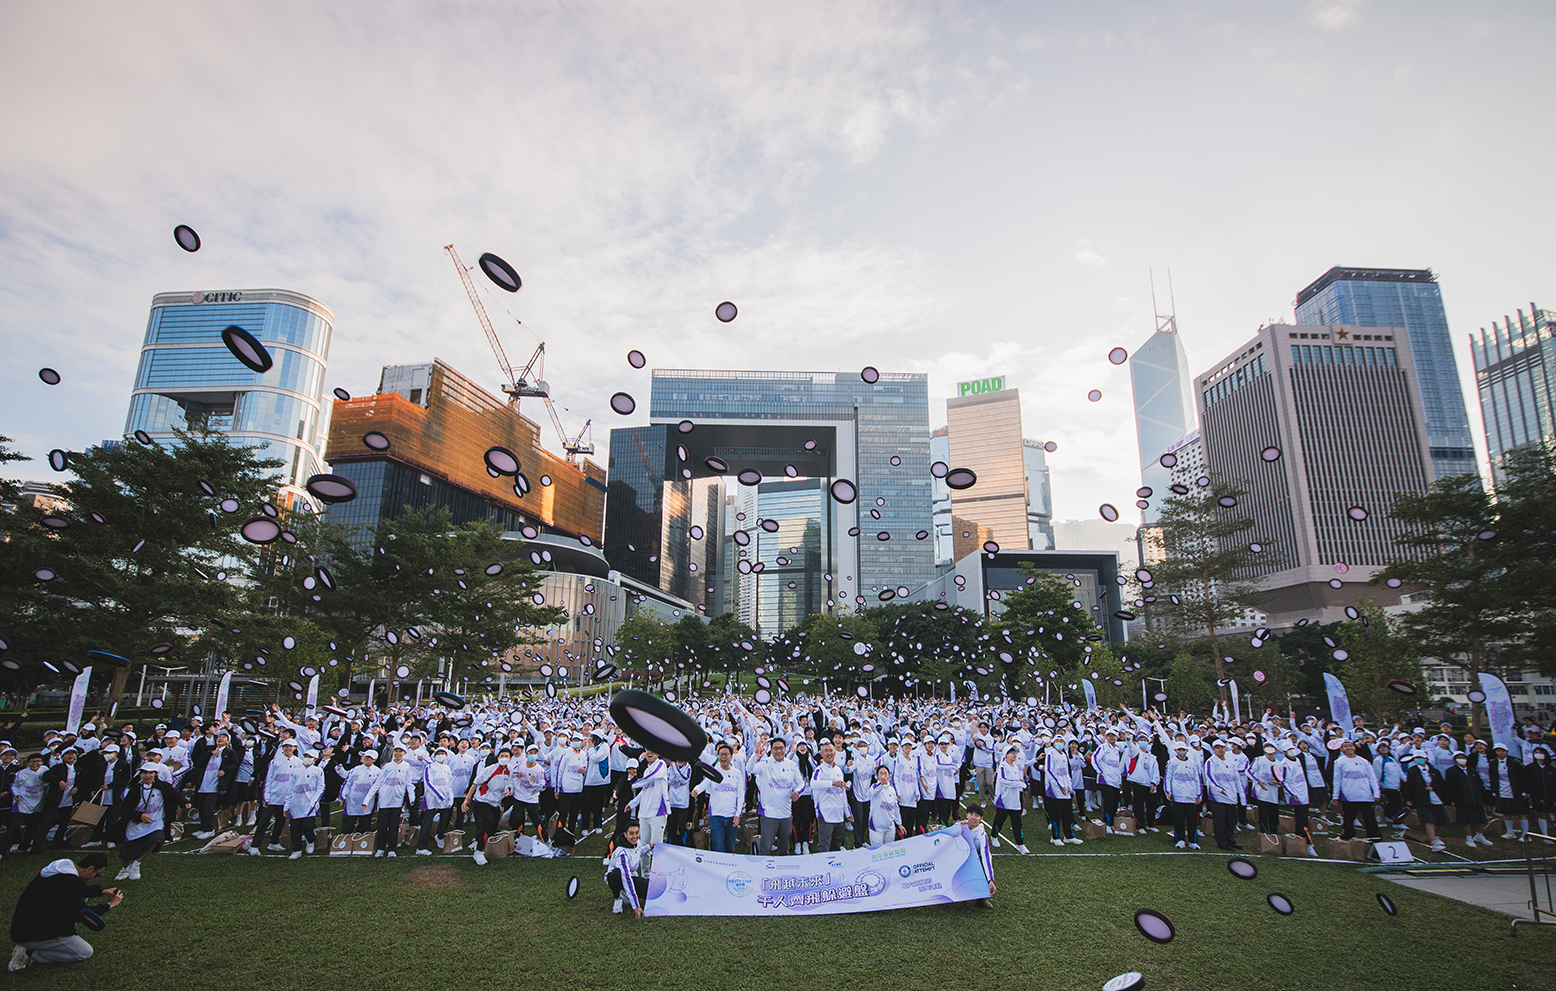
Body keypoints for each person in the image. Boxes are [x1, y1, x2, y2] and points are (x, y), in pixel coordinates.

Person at [8, 853, 122, 971]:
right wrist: (109, 905)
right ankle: (30, 953)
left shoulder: (63, 871)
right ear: (90, 869)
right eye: (96, 874)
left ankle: (34, 946)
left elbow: (79, 890)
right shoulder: (69, 882)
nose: (94, 877)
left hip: (27, 924)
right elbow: (81, 911)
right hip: (31, 932)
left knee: (81, 900)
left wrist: (102, 891)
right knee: (84, 952)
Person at [115, 765, 185, 880]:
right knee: (126, 852)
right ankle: (125, 869)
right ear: (140, 775)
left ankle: (136, 864)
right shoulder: (134, 790)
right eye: (144, 773)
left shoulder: (163, 787)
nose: (147, 775)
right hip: (136, 823)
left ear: (155, 774)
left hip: (156, 822)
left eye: (150, 773)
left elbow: (174, 796)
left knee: (157, 838)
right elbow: (124, 809)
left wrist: (184, 803)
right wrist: (139, 816)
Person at [753, 737, 802, 856]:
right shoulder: (764, 764)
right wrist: (756, 754)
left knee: (784, 849)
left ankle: (782, 872)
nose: (778, 751)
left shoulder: (792, 765)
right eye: (775, 748)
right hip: (769, 813)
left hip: (786, 813)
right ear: (771, 749)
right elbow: (749, 769)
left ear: (785, 749)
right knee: (766, 848)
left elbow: (801, 783)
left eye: (781, 748)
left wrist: (797, 792)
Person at [693, 743, 745, 854]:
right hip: (717, 817)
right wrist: (696, 790)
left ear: (731, 756)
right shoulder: (714, 773)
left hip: (731, 816)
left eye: (726, 754)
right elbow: (704, 784)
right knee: (718, 847)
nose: (723, 757)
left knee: (730, 847)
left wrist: (737, 814)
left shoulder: (737, 773)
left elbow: (740, 795)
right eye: (721, 754)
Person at [1332, 740, 1382, 841]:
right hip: (1349, 795)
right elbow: (1337, 780)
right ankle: (1347, 836)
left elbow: (1372, 778)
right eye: (1345, 746)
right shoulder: (1339, 762)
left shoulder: (1364, 762)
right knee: (1348, 819)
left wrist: (1376, 793)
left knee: (1370, 819)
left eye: (1350, 746)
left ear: (1354, 747)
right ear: (1341, 749)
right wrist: (1335, 796)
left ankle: (1375, 838)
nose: (1349, 748)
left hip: (1365, 795)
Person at [988, 743, 1030, 854]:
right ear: (1006, 755)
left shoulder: (1015, 767)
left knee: (1017, 822)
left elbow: (1018, 781)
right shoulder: (1003, 766)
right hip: (1004, 799)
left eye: (1015, 753)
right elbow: (1003, 781)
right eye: (1012, 753)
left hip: (1015, 800)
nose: (1014, 755)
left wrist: (1020, 784)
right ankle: (994, 836)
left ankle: (1020, 844)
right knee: (1000, 819)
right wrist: (1018, 784)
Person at [810, 740, 851, 854]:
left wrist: (847, 813)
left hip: (839, 815)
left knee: (836, 846)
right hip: (826, 814)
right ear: (821, 754)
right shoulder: (819, 770)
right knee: (824, 846)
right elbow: (813, 784)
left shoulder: (838, 770)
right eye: (826, 751)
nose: (829, 753)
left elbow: (842, 792)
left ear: (835, 753)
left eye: (831, 750)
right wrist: (832, 783)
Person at [284, 747, 325, 859]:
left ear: (315, 759)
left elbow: (320, 787)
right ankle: (296, 849)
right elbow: (290, 789)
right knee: (295, 828)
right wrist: (286, 806)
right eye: (305, 756)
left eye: (309, 757)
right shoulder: (296, 772)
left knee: (308, 826)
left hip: (309, 805)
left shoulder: (318, 771)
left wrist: (314, 801)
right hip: (296, 804)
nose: (307, 759)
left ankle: (310, 840)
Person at [1444, 750, 1490, 849]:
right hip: (1462, 799)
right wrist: (1451, 799)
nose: (1461, 759)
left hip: (1476, 797)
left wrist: (1486, 800)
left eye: (1463, 757)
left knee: (1479, 818)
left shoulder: (1472, 770)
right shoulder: (1451, 771)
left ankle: (1480, 835)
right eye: (1459, 757)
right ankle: (1469, 837)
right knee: (1466, 819)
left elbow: (1480, 785)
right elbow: (1450, 786)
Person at [1162, 741, 1203, 850]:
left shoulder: (1193, 764)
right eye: (1179, 750)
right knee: (1178, 819)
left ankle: (1192, 841)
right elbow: (1168, 778)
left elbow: (1197, 780)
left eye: (1183, 750)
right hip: (1178, 795)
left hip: (1191, 796)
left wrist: (1199, 795)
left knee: (1192, 820)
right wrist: (1168, 792)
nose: (1181, 752)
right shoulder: (1171, 763)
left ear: (1187, 750)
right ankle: (1180, 839)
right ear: (1175, 751)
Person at [606, 822, 648, 918]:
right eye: (631, 833)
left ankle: (625, 894)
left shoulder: (637, 842)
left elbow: (637, 852)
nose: (634, 836)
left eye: (637, 833)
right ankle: (617, 898)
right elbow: (626, 878)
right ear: (625, 835)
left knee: (647, 889)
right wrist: (636, 906)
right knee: (616, 874)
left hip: (631, 875)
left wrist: (649, 847)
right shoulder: (621, 853)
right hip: (617, 878)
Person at [866, 764, 901, 847]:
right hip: (877, 827)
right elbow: (873, 793)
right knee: (877, 852)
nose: (883, 776)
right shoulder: (874, 787)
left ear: (889, 775)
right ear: (877, 776)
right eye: (881, 773)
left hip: (889, 827)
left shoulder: (892, 790)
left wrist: (899, 823)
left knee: (889, 850)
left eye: (885, 773)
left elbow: (895, 808)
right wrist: (881, 784)